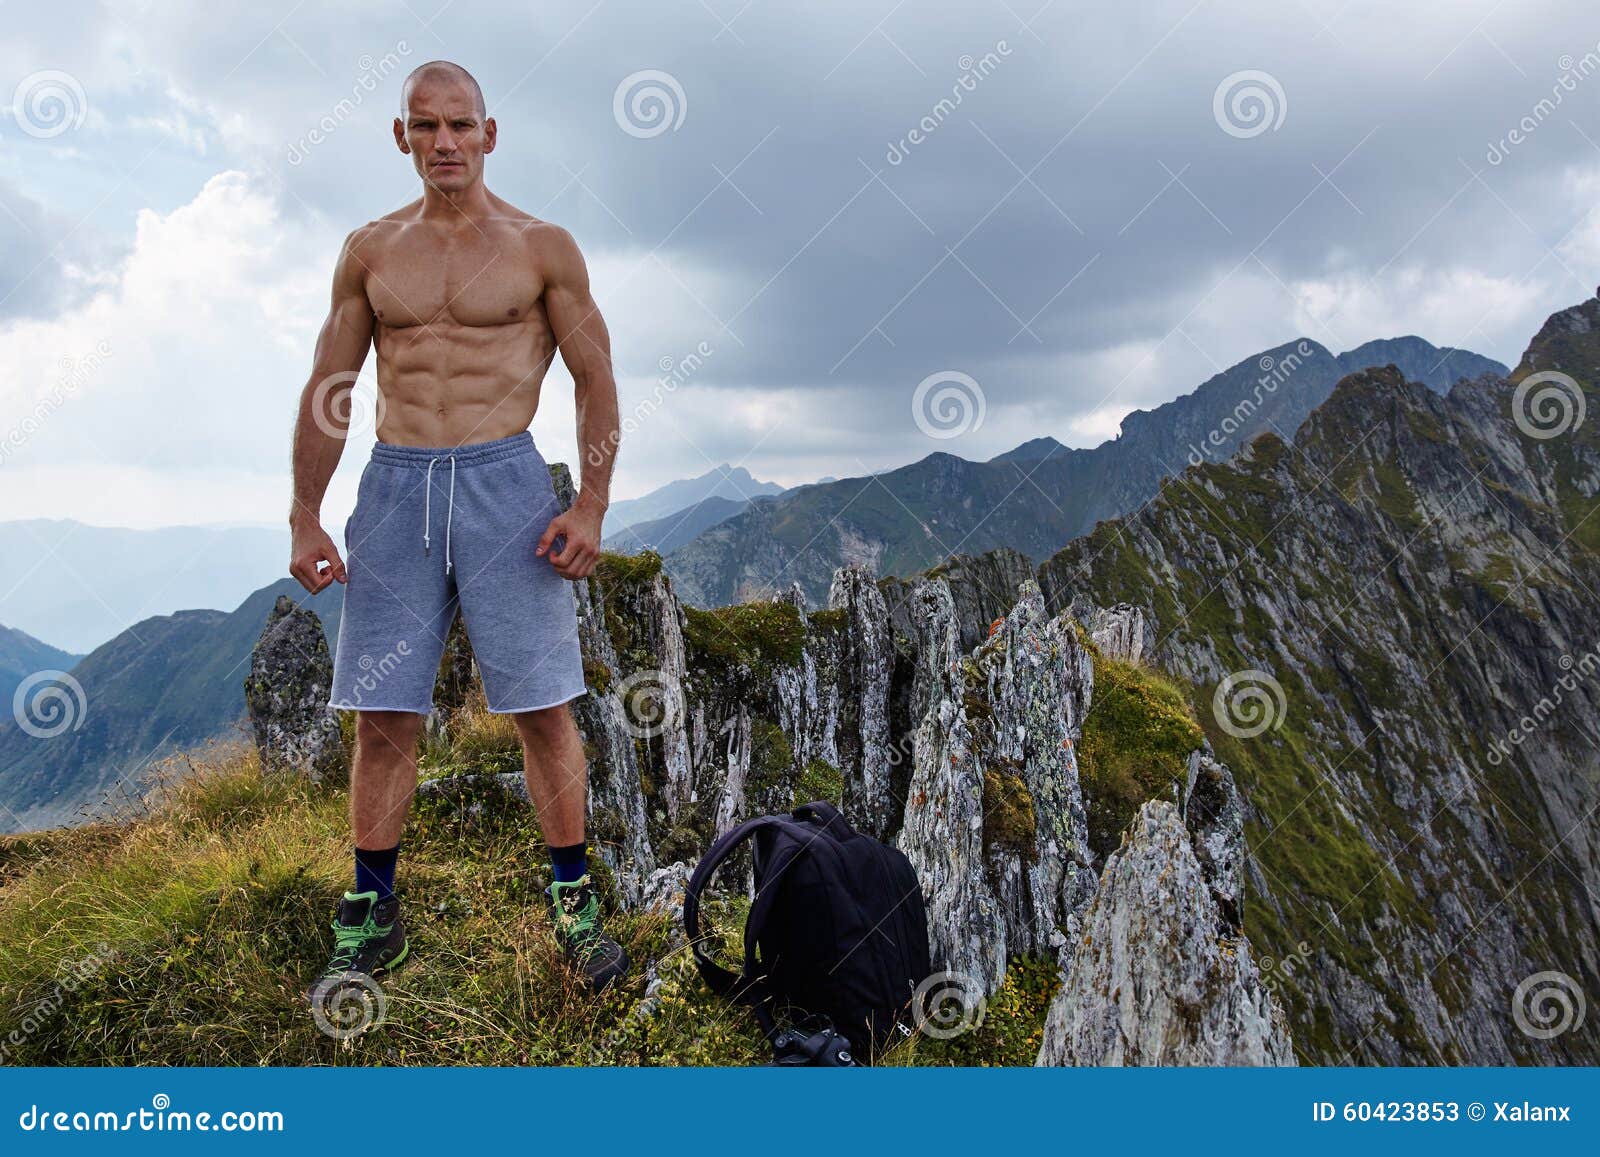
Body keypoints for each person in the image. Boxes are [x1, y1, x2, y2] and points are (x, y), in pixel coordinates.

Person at [287, 60, 627, 1001]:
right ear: (402, 135)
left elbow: (596, 379)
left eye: (460, 124)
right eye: (425, 125)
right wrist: (305, 512)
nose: (444, 141)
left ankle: (572, 898)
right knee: (385, 714)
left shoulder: (541, 247)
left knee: (541, 706)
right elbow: (332, 387)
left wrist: (591, 502)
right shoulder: (370, 251)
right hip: (395, 486)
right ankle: (373, 912)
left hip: (504, 482)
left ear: (489, 132)